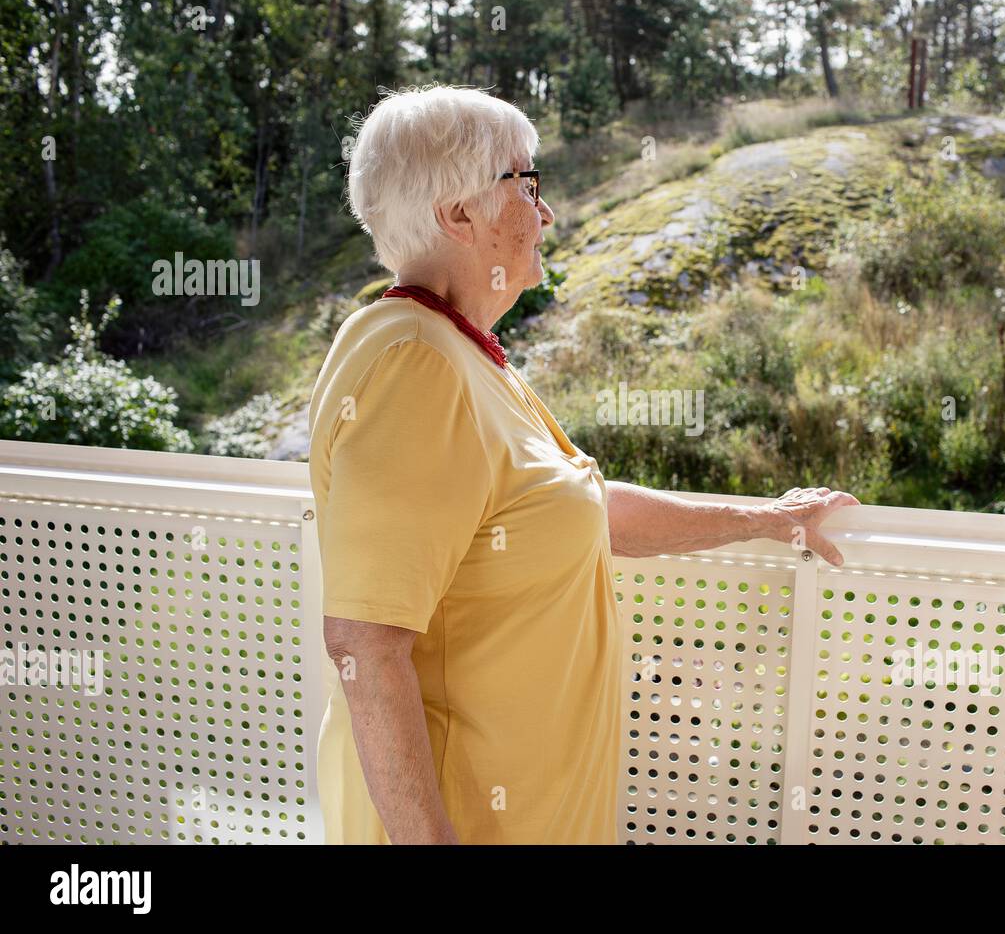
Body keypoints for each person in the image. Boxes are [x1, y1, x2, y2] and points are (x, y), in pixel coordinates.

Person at [308, 84, 858, 844]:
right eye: (525, 185)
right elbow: (365, 643)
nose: (546, 212)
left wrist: (768, 519)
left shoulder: (457, 350)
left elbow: (581, 510)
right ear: (457, 213)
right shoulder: (416, 366)